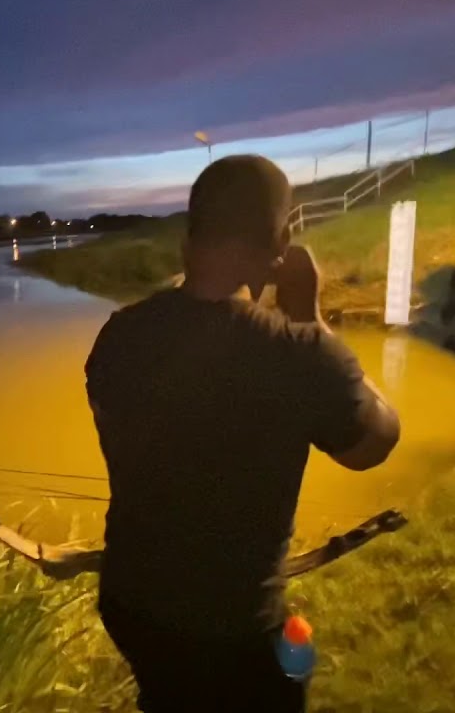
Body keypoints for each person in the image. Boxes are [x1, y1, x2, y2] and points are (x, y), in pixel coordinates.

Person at [84, 155, 401, 712]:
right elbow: (375, 443)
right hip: (236, 631)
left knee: (169, 696)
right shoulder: (299, 352)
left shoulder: (117, 335)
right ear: (280, 243)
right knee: (292, 665)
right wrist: (307, 316)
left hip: (130, 606)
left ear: (189, 236)